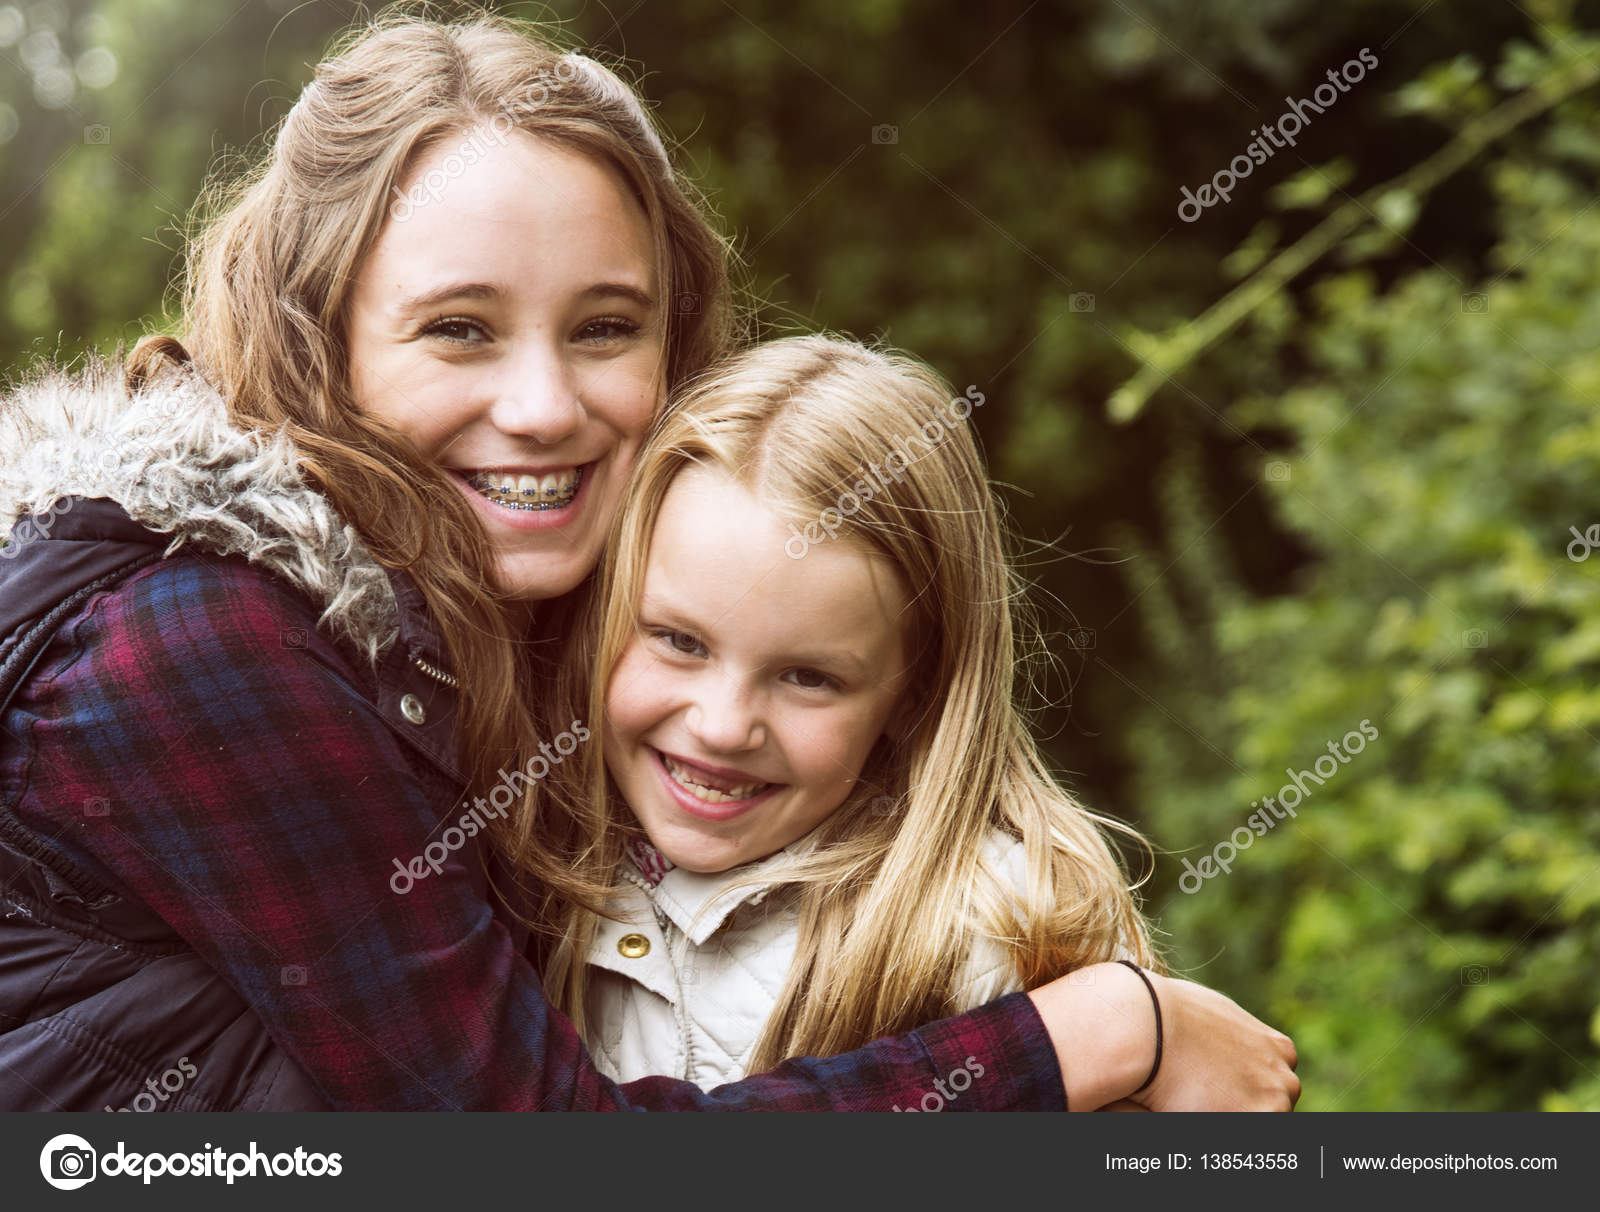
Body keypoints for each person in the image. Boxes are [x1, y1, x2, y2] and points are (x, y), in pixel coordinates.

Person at [0, 11, 1298, 1111]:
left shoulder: (516, 674)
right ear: (315, 343)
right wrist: (1100, 1035)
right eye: (459, 329)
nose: (545, 406)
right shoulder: (192, 640)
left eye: (605, 327)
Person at [532, 336, 1170, 1098]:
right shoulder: (525, 859)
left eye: (807, 677)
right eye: (679, 641)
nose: (725, 725)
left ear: (916, 692)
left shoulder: (997, 933)